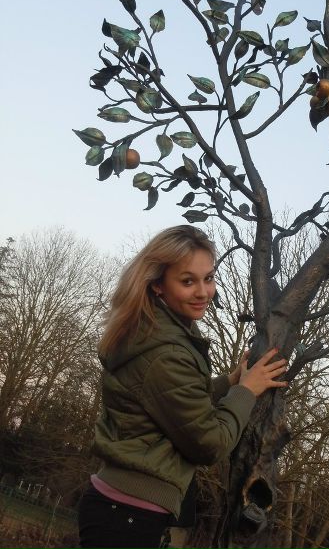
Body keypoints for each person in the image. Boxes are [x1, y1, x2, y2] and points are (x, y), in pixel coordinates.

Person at [78, 225, 288, 549]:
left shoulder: (157, 332)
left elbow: (171, 401)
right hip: (128, 515)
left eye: (209, 278)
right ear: (158, 285)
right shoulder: (165, 352)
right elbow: (210, 443)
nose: (204, 292)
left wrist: (231, 382)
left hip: (124, 508)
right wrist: (246, 391)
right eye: (188, 281)